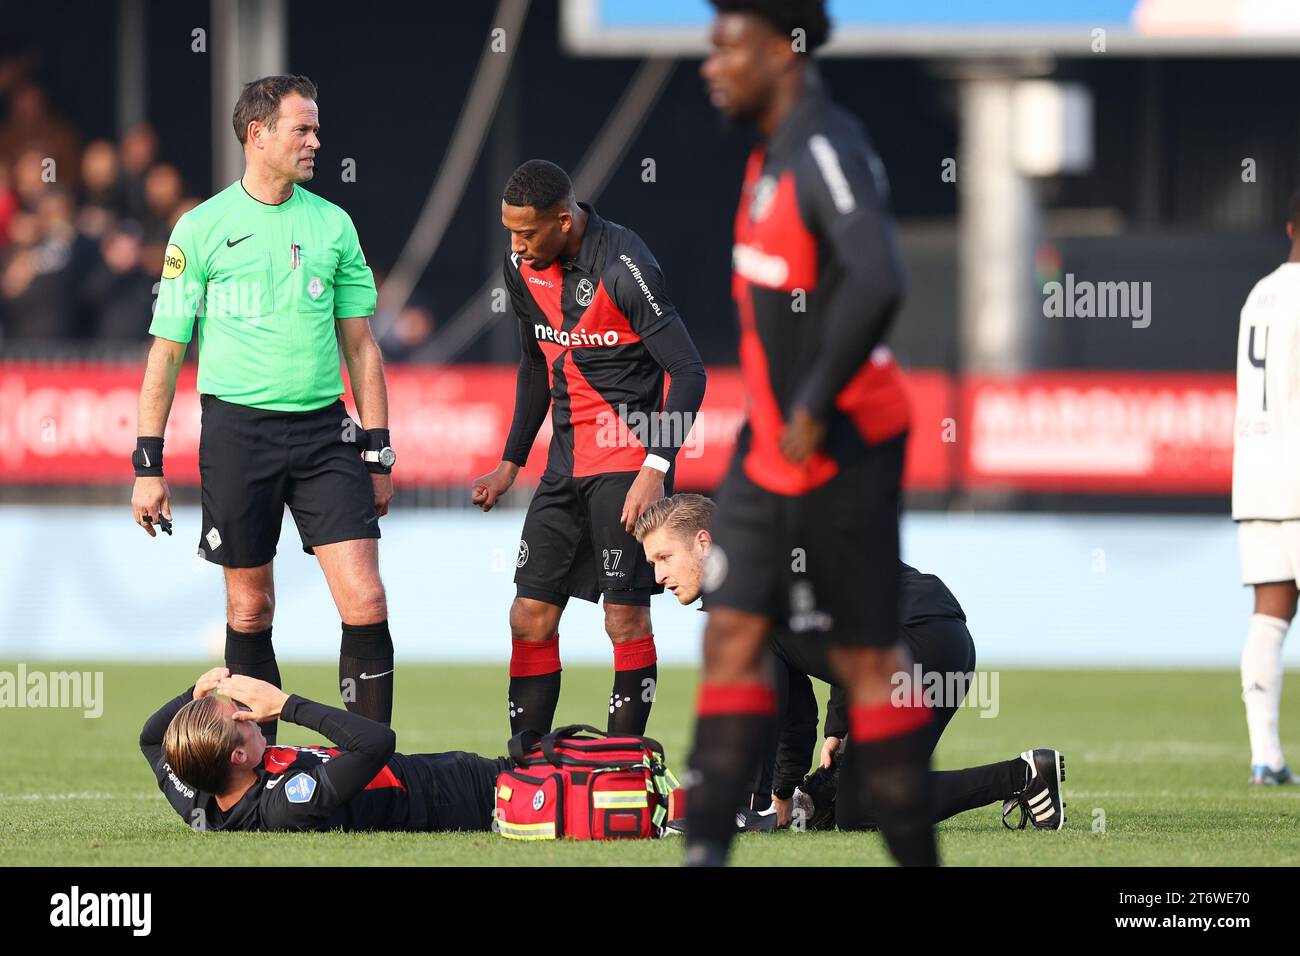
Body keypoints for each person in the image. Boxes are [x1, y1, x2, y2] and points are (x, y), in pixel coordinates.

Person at [688, 0, 928, 866]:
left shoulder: (827, 146)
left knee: (867, 665)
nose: (711, 63)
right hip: (766, 451)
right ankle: (704, 850)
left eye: (728, 47)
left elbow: (878, 277)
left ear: (781, 54)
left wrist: (817, 402)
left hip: (846, 446)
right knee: (732, 634)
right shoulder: (766, 155)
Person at [131, 75, 397, 742]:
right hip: (237, 433)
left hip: (325, 435)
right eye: (302, 129)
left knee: (365, 599)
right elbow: (166, 355)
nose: (316, 140)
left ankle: (367, 768)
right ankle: (260, 765)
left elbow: (362, 351)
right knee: (251, 610)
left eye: (315, 128)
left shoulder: (333, 224)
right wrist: (147, 462)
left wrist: (378, 449)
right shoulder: (201, 227)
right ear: (258, 135)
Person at [634, 493, 1067, 834]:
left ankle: (755, 805)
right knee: (855, 808)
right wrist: (839, 728)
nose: (657, 576)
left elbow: (795, 695)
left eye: (664, 558)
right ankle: (1024, 775)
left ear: (703, 542)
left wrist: (773, 795)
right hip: (922, 642)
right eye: (652, 563)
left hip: (916, 641)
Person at [471, 160, 707, 738]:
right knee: (528, 617)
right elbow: (535, 362)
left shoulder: (625, 268)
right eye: (509, 232)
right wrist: (510, 462)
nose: (516, 246)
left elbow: (689, 371)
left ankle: (622, 764)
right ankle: (525, 769)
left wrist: (656, 468)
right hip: (562, 469)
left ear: (563, 219)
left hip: (627, 468)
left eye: (527, 233)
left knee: (623, 618)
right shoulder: (520, 264)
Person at [141, 669, 506, 832]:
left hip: (444, 770)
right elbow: (377, 742)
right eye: (241, 719)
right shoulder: (284, 806)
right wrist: (287, 705)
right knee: (554, 778)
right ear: (237, 756)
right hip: (453, 795)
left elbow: (152, 740)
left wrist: (194, 693)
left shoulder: (198, 796)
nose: (251, 717)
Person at [1232, 190, 1300, 785]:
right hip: (1299, 474)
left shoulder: (1260, 293)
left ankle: (1266, 756)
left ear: (1289, 226)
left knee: (1269, 615)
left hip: (1256, 478)